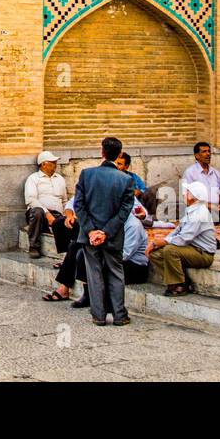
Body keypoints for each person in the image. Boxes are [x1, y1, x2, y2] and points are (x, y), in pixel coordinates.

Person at [45, 149, 149, 304]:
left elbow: (124, 255)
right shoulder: (93, 186)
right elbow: (75, 204)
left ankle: (104, 304)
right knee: (77, 248)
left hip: (129, 263)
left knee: (89, 255)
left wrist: (99, 248)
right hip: (107, 241)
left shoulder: (130, 219)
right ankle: (70, 289)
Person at [73, 136, 137, 326]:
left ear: (102, 152)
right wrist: (106, 232)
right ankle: (119, 314)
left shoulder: (86, 174)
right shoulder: (125, 180)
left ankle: (98, 315)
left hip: (89, 235)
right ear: (119, 155)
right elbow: (124, 211)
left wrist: (92, 231)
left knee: (94, 274)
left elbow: (79, 205)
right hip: (113, 235)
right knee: (116, 273)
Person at [149, 181, 217, 296]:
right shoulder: (191, 210)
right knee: (155, 253)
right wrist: (159, 242)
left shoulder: (199, 213)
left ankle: (179, 285)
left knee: (169, 250)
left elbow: (184, 238)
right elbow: (178, 231)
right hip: (191, 248)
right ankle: (181, 279)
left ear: (193, 196)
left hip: (203, 254)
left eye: (187, 192)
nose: (184, 194)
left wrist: (163, 242)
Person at [23, 150, 70, 259]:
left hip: (57, 214)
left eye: (55, 162)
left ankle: (67, 253)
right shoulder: (33, 178)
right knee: (38, 211)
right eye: (52, 162)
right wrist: (47, 213)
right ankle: (34, 246)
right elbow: (31, 200)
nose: (55, 165)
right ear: (43, 164)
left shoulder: (60, 179)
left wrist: (68, 213)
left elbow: (64, 200)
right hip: (38, 214)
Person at [181, 141, 220, 221]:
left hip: (216, 213)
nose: (208, 154)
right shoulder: (190, 173)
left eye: (209, 151)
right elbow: (187, 199)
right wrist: (209, 206)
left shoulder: (216, 173)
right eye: (204, 151)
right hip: (198, 213)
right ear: (197, 155)